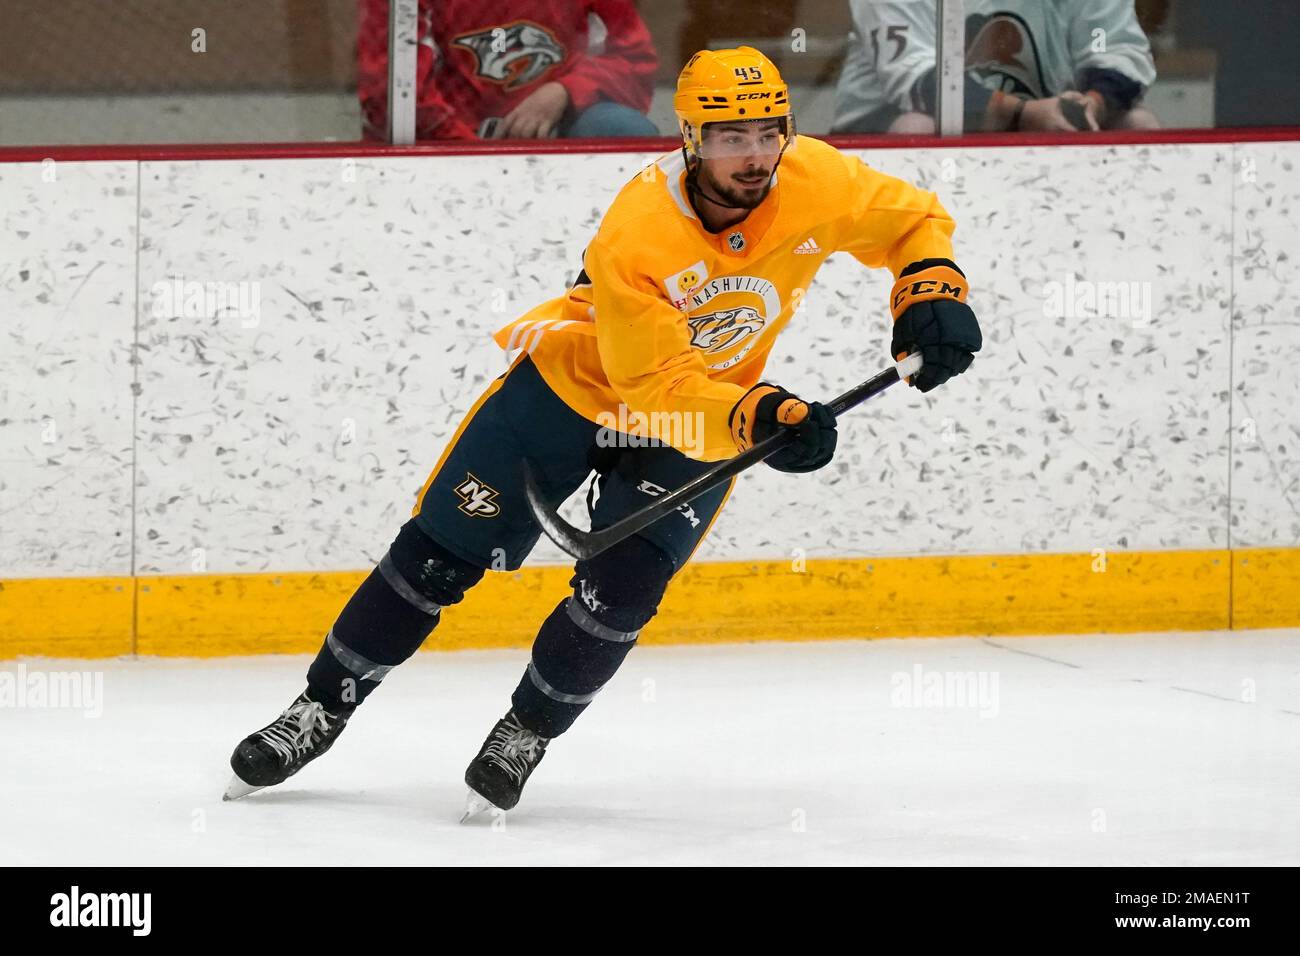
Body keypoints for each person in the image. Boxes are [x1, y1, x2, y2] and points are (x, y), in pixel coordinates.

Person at [225, 47, 982, 816]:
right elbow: (654, 391)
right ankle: (320, 707)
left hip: (705, 409)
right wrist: (758, 417)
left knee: (624, 589)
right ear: (690, 140)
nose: (754, 157)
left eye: (767, 133)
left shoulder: (817, 178)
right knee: (436, 558)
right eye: (729, 137)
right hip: (573, 392)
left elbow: (913, 220)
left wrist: (929, 287)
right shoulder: (641, 231)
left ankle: (524, 732)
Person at [833, 0, 1159, 134]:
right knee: (915, 126)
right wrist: (1024, 112)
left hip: (1048, 122)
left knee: (1138, 123)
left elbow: (1117, 49)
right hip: (890, 131)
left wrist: (1094, 102)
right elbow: (917, 78)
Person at [357, 0, 659, 140]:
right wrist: (468, 147)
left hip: (554, 134)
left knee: (622, 128)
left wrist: (564, 92)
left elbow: (634, 61)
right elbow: (390, 91)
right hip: (444, 142)